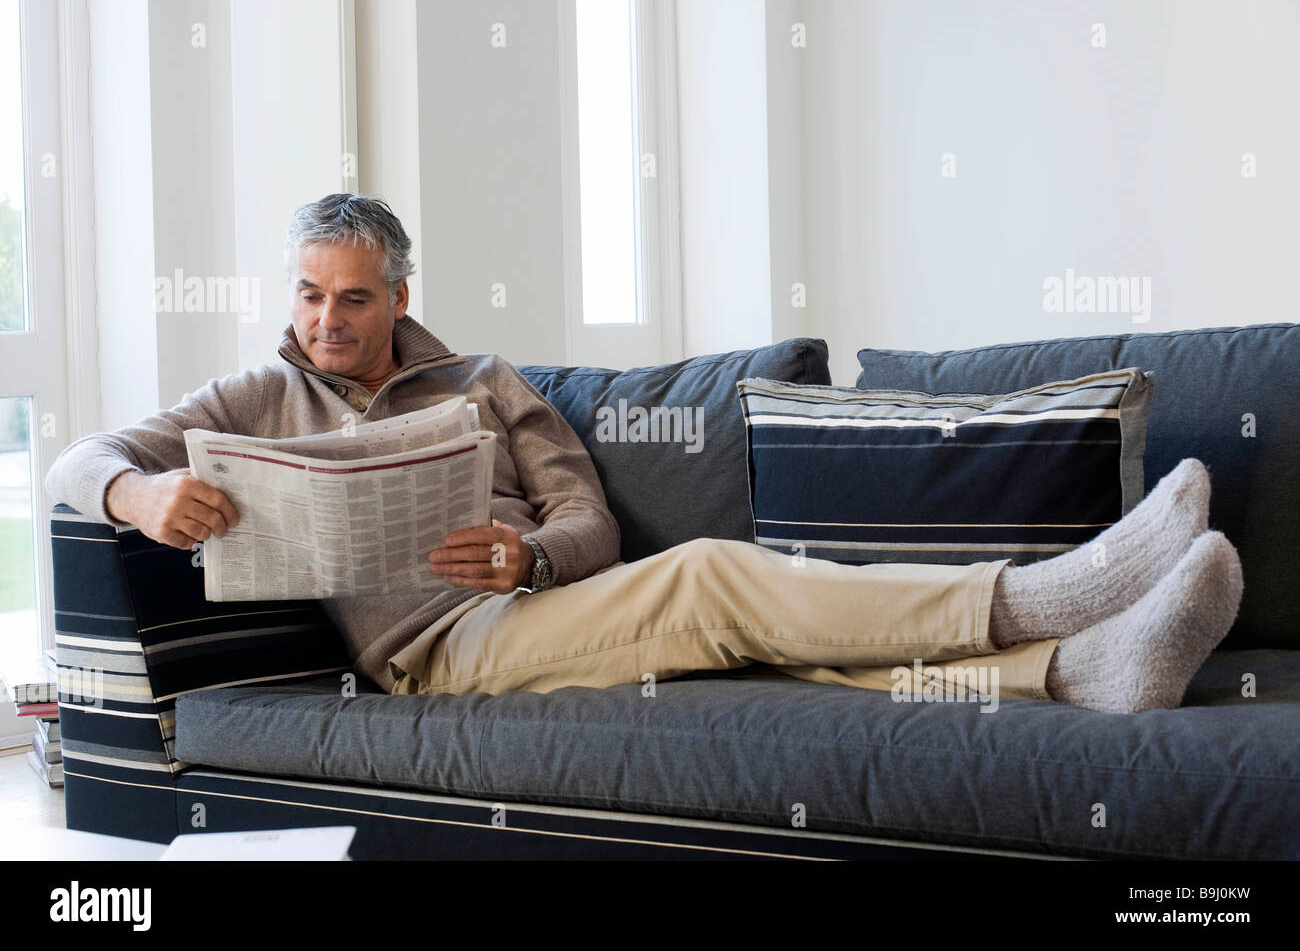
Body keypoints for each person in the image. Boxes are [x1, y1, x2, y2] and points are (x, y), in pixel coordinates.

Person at [45, 194, 1244, 716]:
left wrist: (525, 553)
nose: (326, 322)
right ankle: (1052, 589)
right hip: (428, 660)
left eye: (352, 297)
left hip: (516, 614)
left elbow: (592, 526)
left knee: (760, 641)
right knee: (713, 577)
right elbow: (74, 458)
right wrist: (139, 489)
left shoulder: (486, 384)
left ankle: (1077, 667)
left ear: (400, 295)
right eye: (308, 295)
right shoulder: (255, 393)